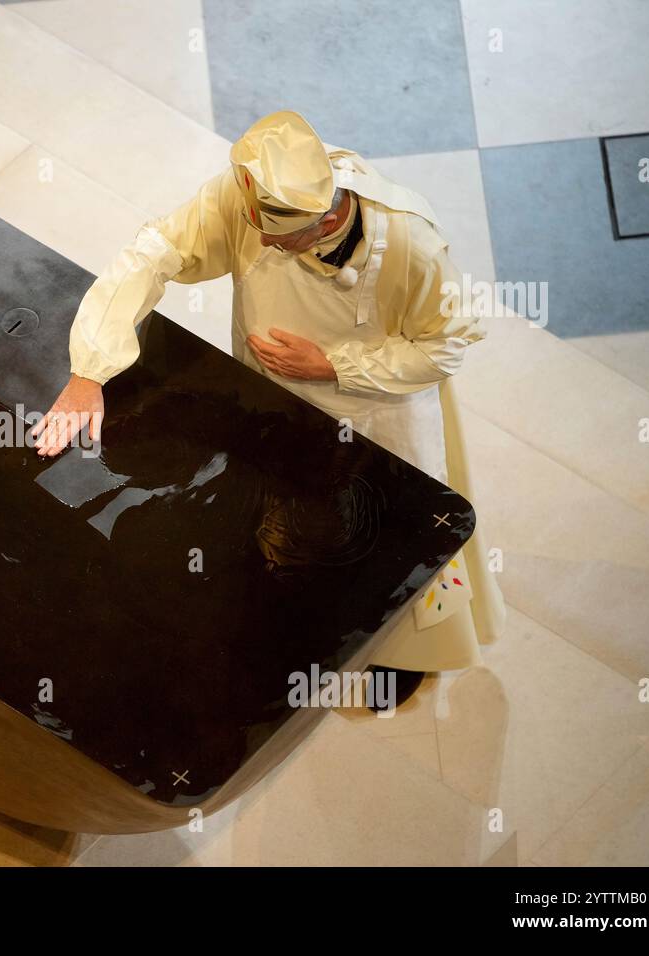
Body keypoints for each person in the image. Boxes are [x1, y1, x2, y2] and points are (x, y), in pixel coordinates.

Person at [31, 110, 505, 707]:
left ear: (330, 217)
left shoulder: (409, 240)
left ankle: (402, 651)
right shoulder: (256, 193)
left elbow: (450, 340)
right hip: (276, 400)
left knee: (381, 540)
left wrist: (335, 365)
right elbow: (157, 251)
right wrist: (89, 368)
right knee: (289, 529)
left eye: (281, 238)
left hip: (373, 412)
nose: (262, 243)